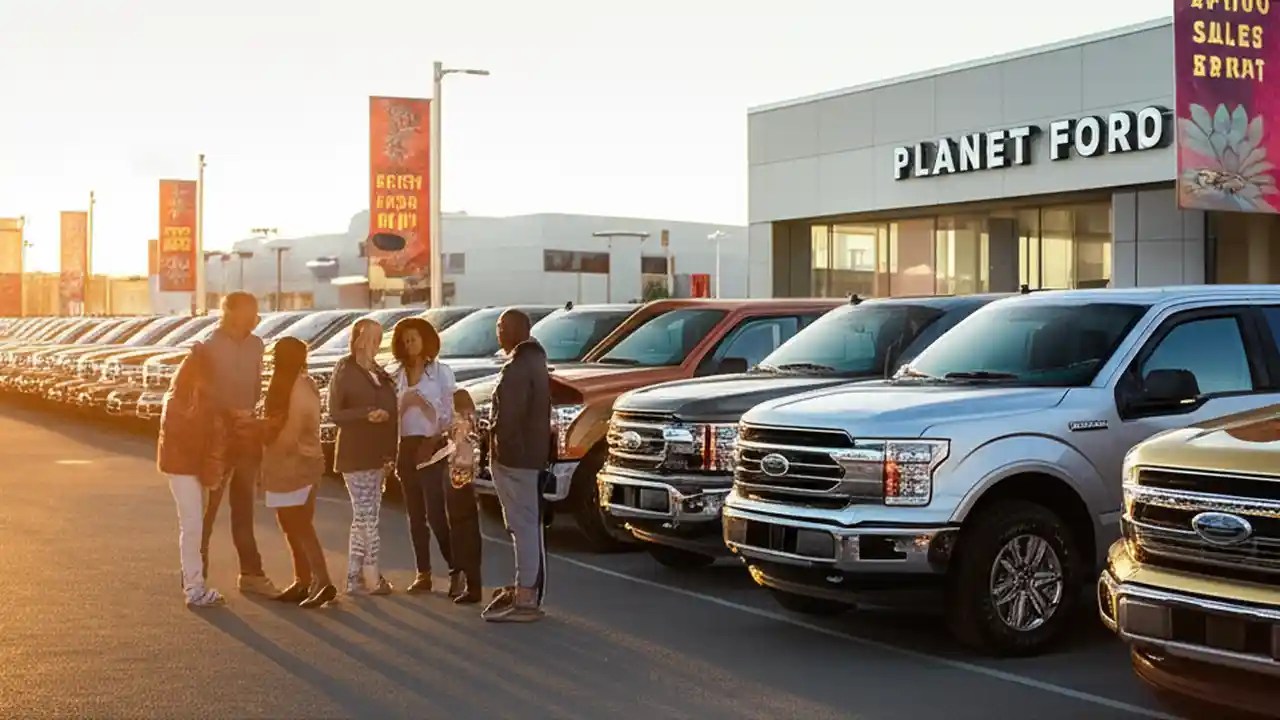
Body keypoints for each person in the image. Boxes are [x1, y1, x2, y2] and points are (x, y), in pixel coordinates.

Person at [199, 291, 278, 597]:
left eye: (256, 310)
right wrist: (225, 411)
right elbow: (202, 392)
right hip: (217, 435)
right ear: (230, 311)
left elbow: (257, 386)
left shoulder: (257, 345)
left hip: (247, 432)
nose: (253, 316)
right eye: (249, 310)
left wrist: (251, 414)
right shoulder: (210, 345)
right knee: (207, 507)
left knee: (244, 507)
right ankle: (195, 573)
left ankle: (251, 573)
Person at [482, 309, 551, 623]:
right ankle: (528, 588)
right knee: (528, 527)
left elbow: (507, 420)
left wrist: (500, 453)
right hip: (531, 457)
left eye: (501, 326)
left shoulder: (517, 367)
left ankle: (526, 597)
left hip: (516, 461)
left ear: (515, 330)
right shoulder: (536, 362)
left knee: (522, 527)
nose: (498, 332)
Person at [260, 337, 335, 609]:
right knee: (293, 524)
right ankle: (303, 581)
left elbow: (292, 428)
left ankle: (322, 581)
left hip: (292, 462)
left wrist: (264, 438)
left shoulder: (292, 385)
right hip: (303, 461)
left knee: (299, 524)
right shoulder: (303, 383)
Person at [391, 316, 462, 595]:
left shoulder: (441, 372)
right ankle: (423, 573)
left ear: (425, 340)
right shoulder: (395, 375)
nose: (410, 345)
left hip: (432, 446)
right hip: (405, 446)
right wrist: (403, 404)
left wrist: (431, 429)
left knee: (435, 513)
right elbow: (390, 416)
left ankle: (457, 569)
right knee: (414, 515)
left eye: (414, 339)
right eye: (405, 341)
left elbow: (449, 412)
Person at [327, 317, 398, 595]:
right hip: (354, 453)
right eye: (369, 337)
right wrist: (365, 413)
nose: (374, 344)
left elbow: (393, 409)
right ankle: (372, 575)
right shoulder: (345, 369)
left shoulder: (380, 373)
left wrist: (390, 453)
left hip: (378, 454)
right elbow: (335, 412)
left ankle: (354, 577)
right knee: (366, 515)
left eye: (379, 338)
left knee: (366, 516)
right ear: (356, 338)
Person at [157, 342, 226, 608]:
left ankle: (194, 583)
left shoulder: (183, 398)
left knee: (193, 526)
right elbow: (187, 436)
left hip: (188, 467)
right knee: (193, 526)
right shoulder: (182, 401)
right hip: (185, 468)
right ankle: (194, 587)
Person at [445, 388, 484, 604]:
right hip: (463, 485)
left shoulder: (464, 430)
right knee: (464, 533)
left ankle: (472, 585)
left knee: (464, 533)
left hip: (461, 485)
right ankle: (469, 582)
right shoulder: (469, 427)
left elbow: (464, 460)